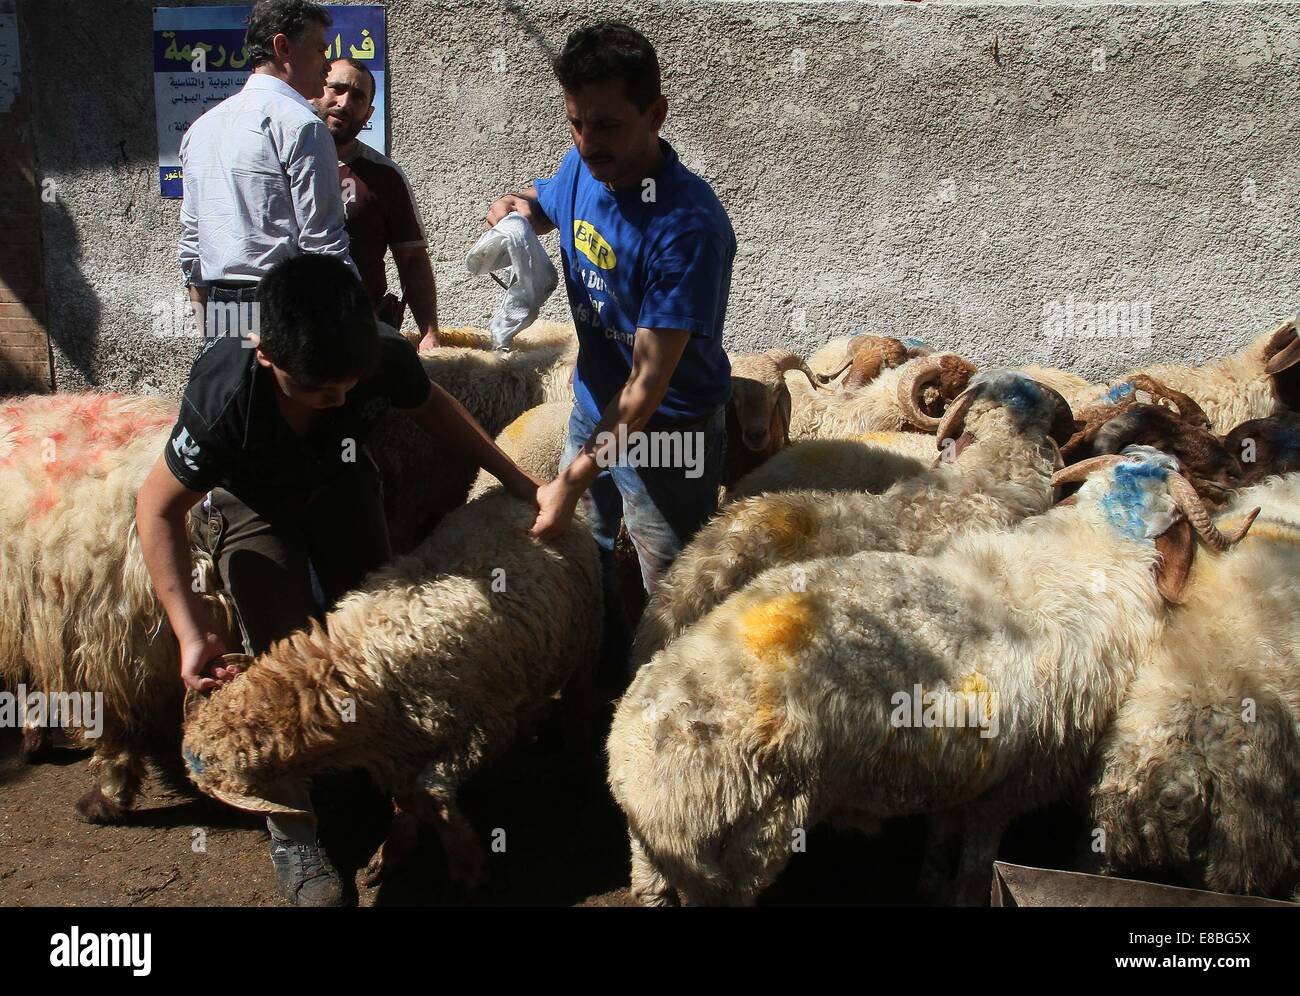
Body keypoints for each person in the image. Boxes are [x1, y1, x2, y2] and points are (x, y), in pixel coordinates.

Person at [135, 254, 546, 906]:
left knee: (376, 626)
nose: (342, 399)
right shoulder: (224, 396)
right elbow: (156, 507)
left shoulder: (376, 353)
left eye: (351, 387)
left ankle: (382, 770)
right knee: (283, 658)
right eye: (321, 391)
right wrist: (189, 634)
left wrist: (521, 481)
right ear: (266, 355)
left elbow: (433, 408)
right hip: (254, 499)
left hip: (342, 476)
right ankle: (294, 830)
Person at [486, 21, 734, 655]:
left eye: (607, 126)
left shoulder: (686, 228)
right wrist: (514, 219)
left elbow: (649, 386)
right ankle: (594, 689)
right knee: (584, 560)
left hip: (668, 437)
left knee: (674, 593)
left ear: (656, 114)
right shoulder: (582, 166)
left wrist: (569, 480)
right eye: (576, 122)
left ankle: (664, 715)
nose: (588, 142)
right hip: (594, 407)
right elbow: (541, 202)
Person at [179, 0, 355, 341]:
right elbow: (323, 242)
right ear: (282, 46)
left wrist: (210, 340)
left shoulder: (201, 128)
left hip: (221, 307)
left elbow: (192, 245)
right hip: (284, 305)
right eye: (320, 49)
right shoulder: (302, 125)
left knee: (240, 394)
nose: (326, 64)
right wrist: (354, 320)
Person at [312, 57, 441, 350]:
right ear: (316, 91)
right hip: (293, 330)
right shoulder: (281, 164)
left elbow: (411, 259)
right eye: (337, 88)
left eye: (358, 97)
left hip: (362, 337)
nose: (344, 103)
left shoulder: (385, 176)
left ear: (368, 114)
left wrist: (430, 332)